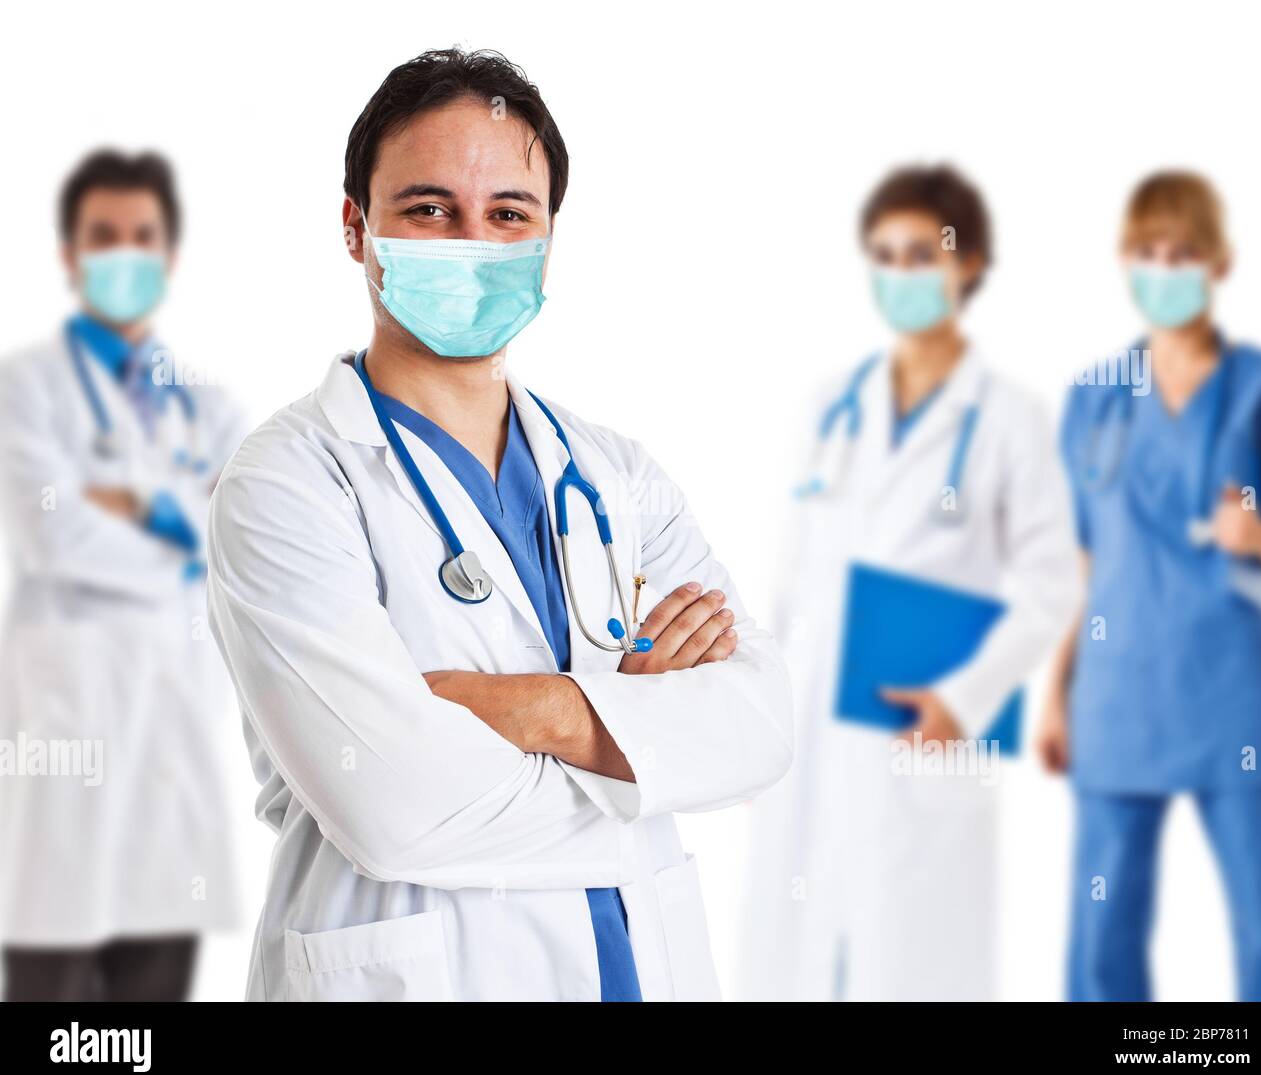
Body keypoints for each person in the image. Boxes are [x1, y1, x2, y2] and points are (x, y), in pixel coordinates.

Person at [204, 48, 792, 1003]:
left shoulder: (615, 475)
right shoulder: (287, 482)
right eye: (429, 208)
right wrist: (645, 745)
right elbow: (398, 807)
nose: (471, 241)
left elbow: (762, 726)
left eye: (508, 215)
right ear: (358, 228)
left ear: (548, 240)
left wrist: (538, 708)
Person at [738, 166, 1079, 1001]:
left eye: (922, 254)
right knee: (801, 950)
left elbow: (1053, 582)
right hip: (811, 723)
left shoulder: (1009, 417)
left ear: (969, 265)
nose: (902, 276)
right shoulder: (833, 405)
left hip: (928, 726)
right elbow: (790, 582)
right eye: (886, 257)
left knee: (914, 961)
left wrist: (966, 697)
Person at [1040, 171, 1261, 1002]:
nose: (1165, 267)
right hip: (1118, 700)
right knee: (1100, 931)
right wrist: (1057, 692)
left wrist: (1259, 534)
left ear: (1217, 262)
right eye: (1149, 252)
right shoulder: (1092, 399)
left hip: (1236, 693)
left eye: (1183, 252)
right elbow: (1082, 565)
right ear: (1126, 261)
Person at [0, 150, 244, 1001]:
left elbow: (242, 544)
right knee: (53, 999)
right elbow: (57, 538)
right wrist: (184, 514)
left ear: (169, 257)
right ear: (69, 256)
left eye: (142, 237)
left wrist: (135, 505)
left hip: (175, 753)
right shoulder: (25, 388)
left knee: (146, 1016)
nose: (124, 254)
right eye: (104, 236)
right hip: (67, 744)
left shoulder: (206, 402)